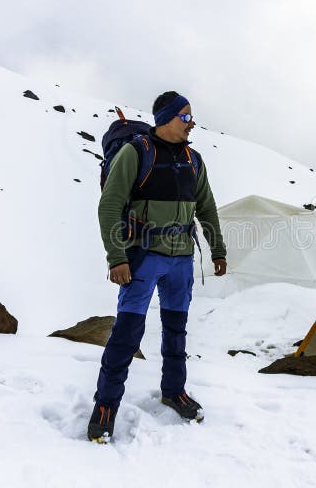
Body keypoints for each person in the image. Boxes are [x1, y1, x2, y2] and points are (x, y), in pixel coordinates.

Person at [88, 91, 227, 442]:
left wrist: (218, 249)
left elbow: (206, 207)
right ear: (165, 118)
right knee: (127, 334)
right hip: (143, 257)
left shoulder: (194, 159)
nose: (191, 122)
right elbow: (109, 206)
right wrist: (116, 257)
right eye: (185, 116)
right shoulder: (137, 153)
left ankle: (174, 391)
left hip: (181, 259)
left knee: (176, 331)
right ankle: (105, 405)